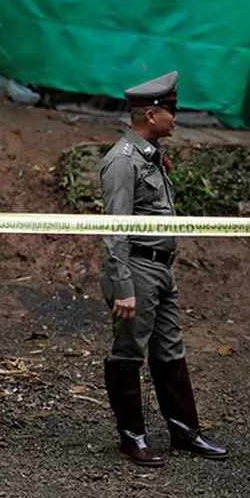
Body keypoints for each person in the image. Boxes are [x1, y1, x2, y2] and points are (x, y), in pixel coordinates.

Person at [99, 70, 227, 466]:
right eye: (171, 111)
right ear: (151, 115)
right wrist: (122, 285)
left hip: (161, 270)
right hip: (136, 269)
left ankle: (184, 430)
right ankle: (131, 436)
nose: (177, 117)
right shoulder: (122, 162)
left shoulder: (150, 157)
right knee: (129, 352)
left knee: (170, 350)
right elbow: (114, 229)